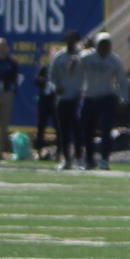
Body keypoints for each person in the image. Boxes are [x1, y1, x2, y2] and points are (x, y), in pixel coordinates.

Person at [76, 33, 127, 170]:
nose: (104, 48)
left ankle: (104, 158)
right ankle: (89, 158)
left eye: (107, 45)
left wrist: (123, 97)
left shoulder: (114, 60)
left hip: (106, 96)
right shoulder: (87, 57)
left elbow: (122, 79)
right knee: (87, 129)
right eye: (102, 45)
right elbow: (75, 69)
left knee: (106, 129)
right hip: (89, 96)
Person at [48, 31, 84, 170]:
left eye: (73, 39)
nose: (70, 41)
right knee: (63, 131)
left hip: (78, 97)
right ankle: (66, 158)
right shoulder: (59, 57)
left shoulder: (82, 56)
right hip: (63, 98)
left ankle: (80, 157)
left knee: (78, 129)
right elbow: (51, 77)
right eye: (68, 38)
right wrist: (56, 87)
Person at [0, 38, 18, 160]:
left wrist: (13, 92)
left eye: (3, 46)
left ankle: (0, 150)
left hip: (6, 93)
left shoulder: (11, 62)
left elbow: (15, 79)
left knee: (3, 125)